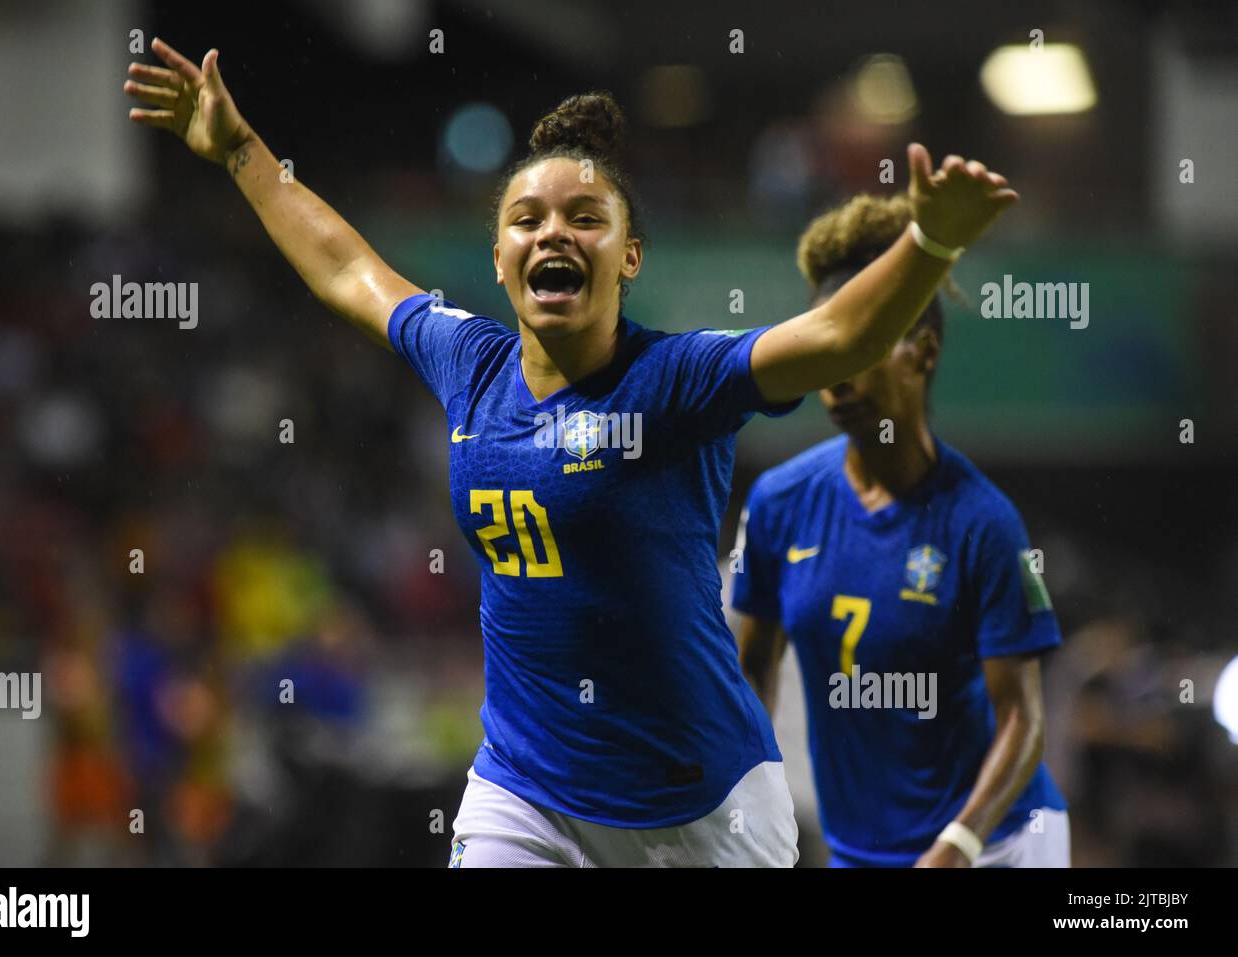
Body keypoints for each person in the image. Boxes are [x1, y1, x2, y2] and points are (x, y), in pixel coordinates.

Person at [125, 39, 1017, 867]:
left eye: (584, 217)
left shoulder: (678, 379)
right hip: (528, 789)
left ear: (628, 255)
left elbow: (835, 338)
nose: (552, 232)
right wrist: (241, 149)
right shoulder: (468, 361)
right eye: (527, 218)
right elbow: (347, 270)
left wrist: (931, 241)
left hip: (702, 809)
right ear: (502, 255)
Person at [733, 194, 1069, 867]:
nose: (839, 375)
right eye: (833, 344)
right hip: (860, 850)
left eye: (868, 346)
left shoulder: (984, 523)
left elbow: (1025, 719)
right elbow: (747, 681)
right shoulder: (778, 502)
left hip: (998, 844)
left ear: (925, 353)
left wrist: (958, 844)